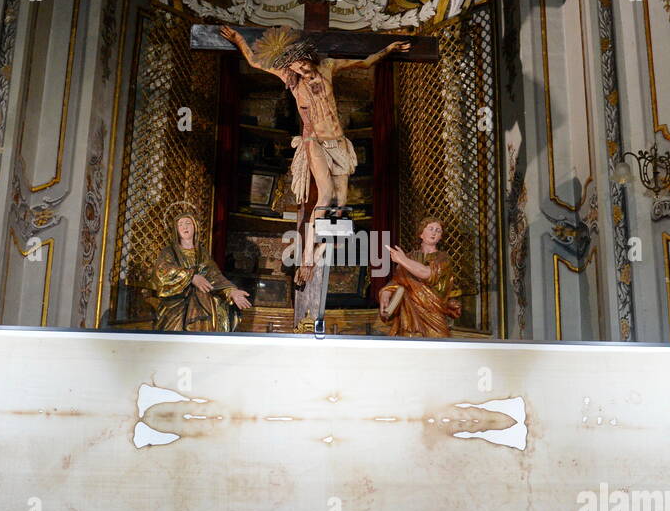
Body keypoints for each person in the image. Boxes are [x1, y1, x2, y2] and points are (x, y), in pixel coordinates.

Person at [219, 24, 408, 279]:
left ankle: (321, 251)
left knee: (341, 202)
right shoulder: (290, 78)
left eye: (302, 64)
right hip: (314, 141)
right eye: (295, 67)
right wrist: (239, 39)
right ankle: (307, 257)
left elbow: (364, 63)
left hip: (338, 142)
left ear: (307, 57)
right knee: (326, 195)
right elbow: (254, 62)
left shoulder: (328, 67)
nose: (300, 69)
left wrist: (387, 49)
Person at [152, 211, 251, 332]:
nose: (185, 227)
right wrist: (191, 277)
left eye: (188, 223)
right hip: (176, 301)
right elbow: (162, 271)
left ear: (195, 227)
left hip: (203, 301)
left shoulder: (202, 253)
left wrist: (231, 291)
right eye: (180, 224)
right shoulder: (169, 252)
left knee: (215, 307)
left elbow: (215, 276)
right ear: (175, 230)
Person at [378, 217, 462, 338]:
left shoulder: (443, 258)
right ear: (421, 234)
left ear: (441, 237)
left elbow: (427, 274)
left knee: (439, 344)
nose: (434, 233)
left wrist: (402, 260)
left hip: (433, 312)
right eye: (430, 229)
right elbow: (397, 281)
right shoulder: (409, 256)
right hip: (409, 313)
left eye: (438, 231)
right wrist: (386, 293)